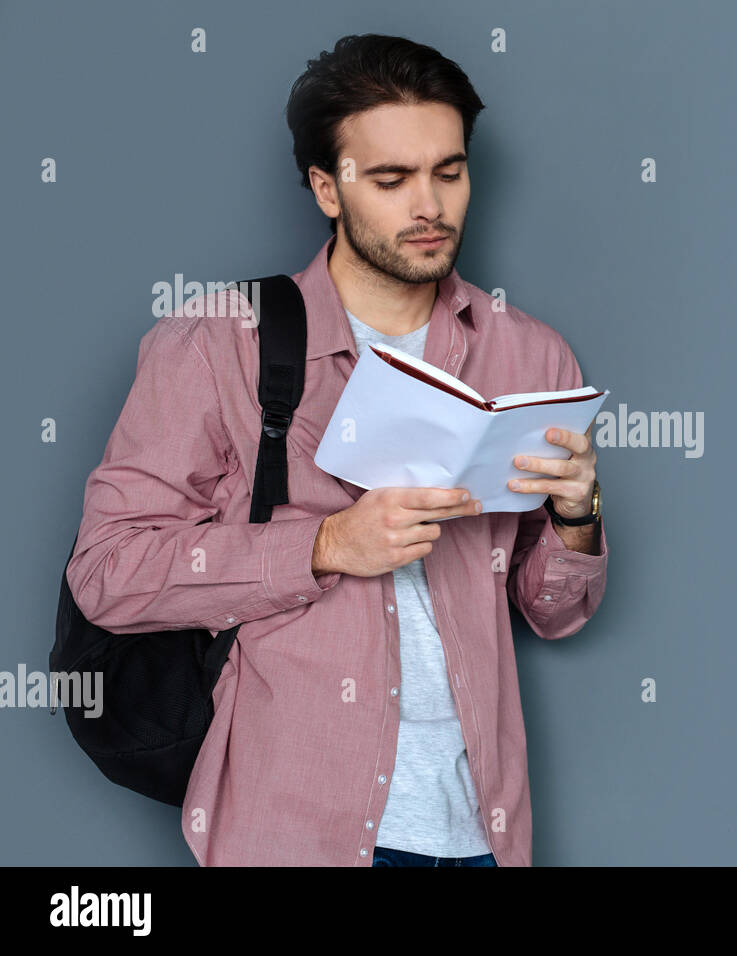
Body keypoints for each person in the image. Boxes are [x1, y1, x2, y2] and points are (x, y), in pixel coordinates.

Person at [66, 33, 609, 867]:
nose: (429, 205)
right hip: (294, 832)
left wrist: (577, 517)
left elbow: (554, 611)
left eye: (449, 171)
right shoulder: (217, 343)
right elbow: (107, 574)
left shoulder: (532, 358)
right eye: (390, 179)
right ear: (327, 187)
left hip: (482, 835)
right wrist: (325, 545)